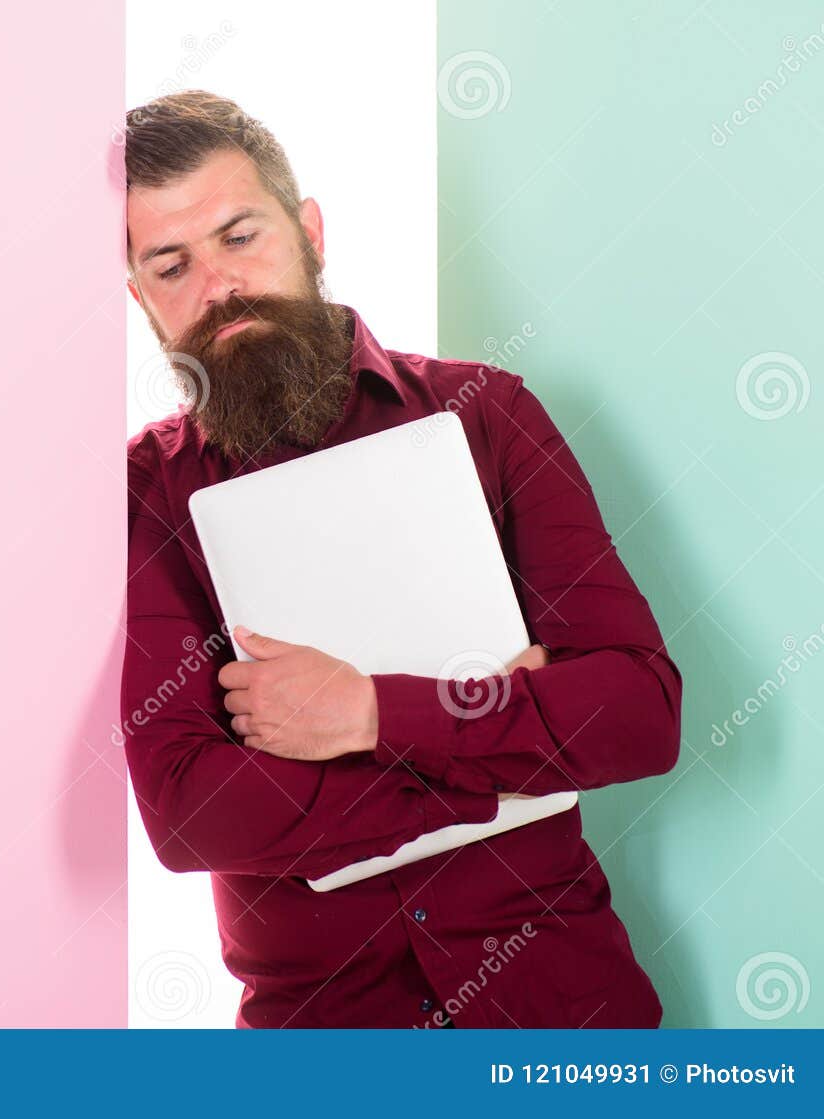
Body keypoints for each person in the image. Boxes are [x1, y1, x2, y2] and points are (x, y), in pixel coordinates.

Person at [121, 90, 682, 1029]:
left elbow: (637, 710)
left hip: (564, 1020)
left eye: (240, 236)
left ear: (309, 231)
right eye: (171, 265)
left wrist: (368, 710)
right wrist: (506, 751)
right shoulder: (143, 497)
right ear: (141, 297)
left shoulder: (487, 414)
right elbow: (189, 814)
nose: (218, 287)